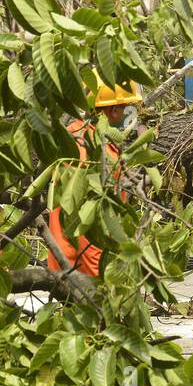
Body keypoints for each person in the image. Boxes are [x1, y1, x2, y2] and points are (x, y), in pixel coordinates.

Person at [46, 82, 143, 278]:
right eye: (129, 108)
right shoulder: (88, 149)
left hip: (76, 263)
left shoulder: (82, 134)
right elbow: (86, 224)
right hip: (81, 267)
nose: (132, 115)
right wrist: (102, 277)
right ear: (114, 110)